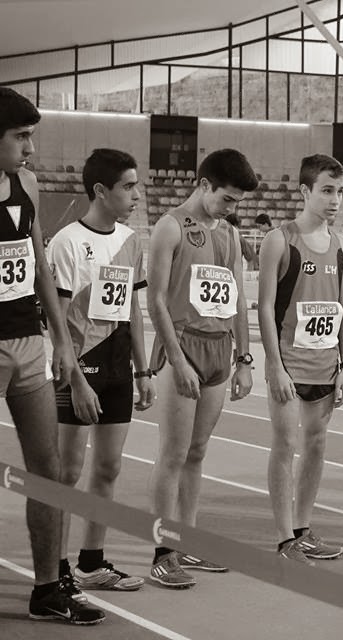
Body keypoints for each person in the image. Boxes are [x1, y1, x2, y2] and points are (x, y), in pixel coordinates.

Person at [0, 87, 105, 624]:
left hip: (27, 341)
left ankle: (46, 588)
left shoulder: (27, 185)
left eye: (31, 137)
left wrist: (60, 340)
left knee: (48, 468)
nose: (30, 148)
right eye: (20, 137)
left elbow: (37, 261)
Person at [147, 148, 258, 587]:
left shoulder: (229, 234)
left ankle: (187, 543)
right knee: (172, 454)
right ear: (204, 185)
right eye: (228, 199)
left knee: (197, 453)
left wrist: (246, 359)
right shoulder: (169, 227)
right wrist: (176, 359)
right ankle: (162, 551)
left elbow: (238, 302)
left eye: (238, 203)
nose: (232, 208)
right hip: (182, 347)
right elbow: (154, 299)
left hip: (220, 349)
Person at [47, 149, 155, 598]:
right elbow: (55, 320)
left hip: (117, 368)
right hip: (79, 368)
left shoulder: (131, 239)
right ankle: (54, 567)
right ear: (100, 191)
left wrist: (144, 370)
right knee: (67, 471)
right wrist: (75, 379)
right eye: (128, 187)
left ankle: (92, 562)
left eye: (136, 186)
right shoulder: (67, 243)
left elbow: (131, 307)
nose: (136, 195)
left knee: (108, 468)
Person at [258, 154, 343, 565]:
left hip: (325, 365)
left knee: (316, 445)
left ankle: (303, 527)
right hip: (289, 365)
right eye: (327, 190)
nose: (335, 200)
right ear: (305, 191)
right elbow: (263, 307)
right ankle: (284, 538)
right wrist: (274, 365)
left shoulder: (342, 244)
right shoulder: (279, 240)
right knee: (286, 445)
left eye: (340, 192)